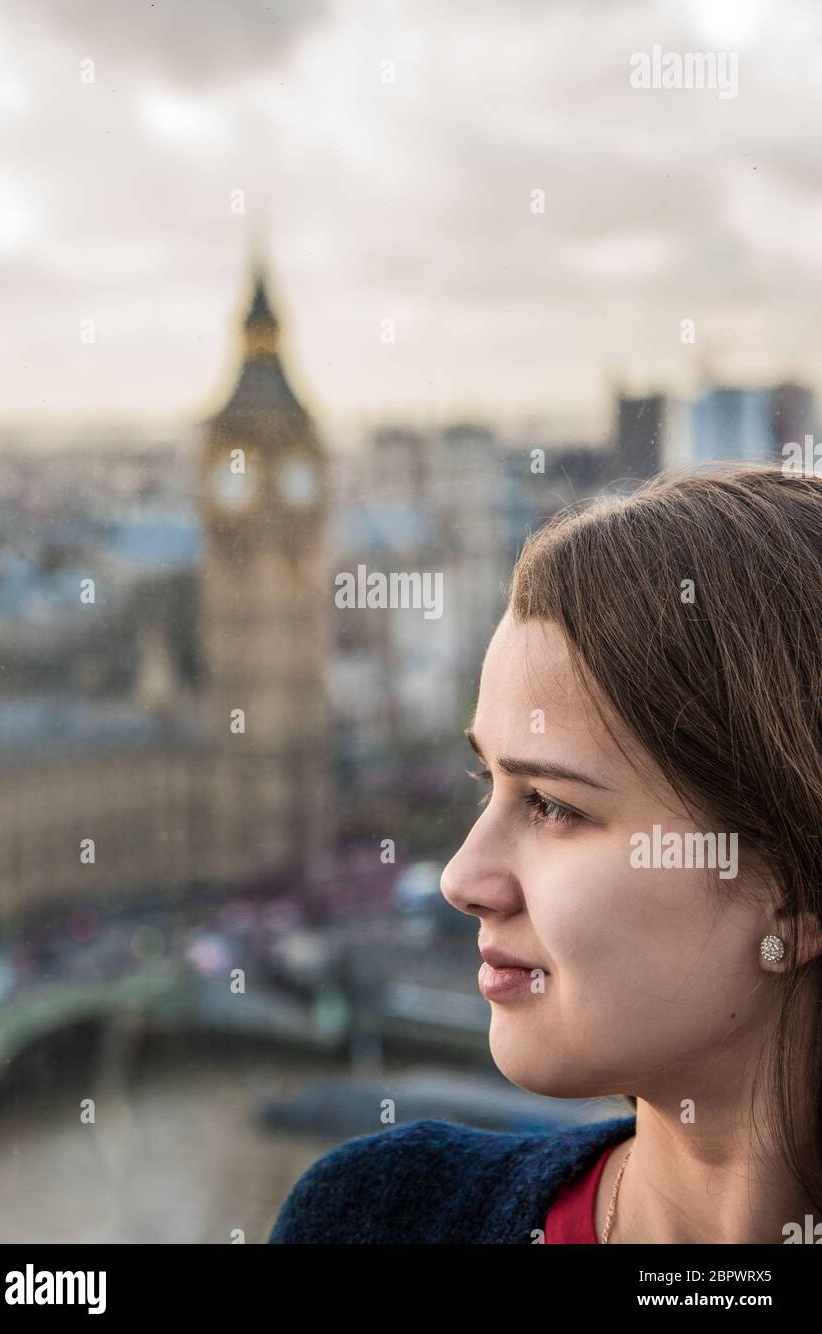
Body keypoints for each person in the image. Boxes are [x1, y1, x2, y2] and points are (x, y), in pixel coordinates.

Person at [269, 463, 822, 1243]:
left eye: (553, 806)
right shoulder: (377, 1219)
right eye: (483, 779)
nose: (462, 879)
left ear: (794, 896)